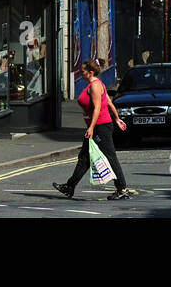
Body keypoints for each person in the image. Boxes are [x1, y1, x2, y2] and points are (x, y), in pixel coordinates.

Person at [54, 59, 131, 200]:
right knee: (84, 158)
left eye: (83, 71)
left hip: (100, 127)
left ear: (90, 73)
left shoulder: (95, 86)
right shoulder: (96, 84)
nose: (81, 73)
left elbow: (97, 108)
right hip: (98, 126)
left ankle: (122, 188)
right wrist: (117, 119)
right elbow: (109, 102)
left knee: (110, 157)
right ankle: (69, 187)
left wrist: (91, 127)